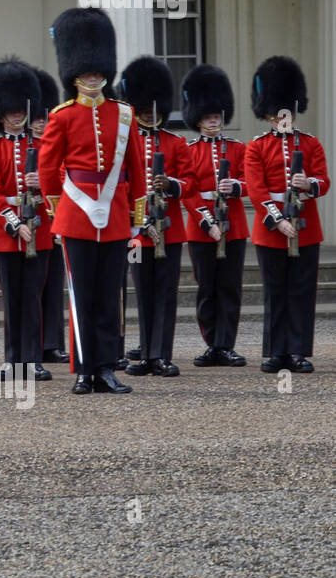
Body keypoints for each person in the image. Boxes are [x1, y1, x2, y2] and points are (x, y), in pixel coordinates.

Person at [37, 8, 146, 395]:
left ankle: (106, 367)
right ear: (75, 73)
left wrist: (137, 216)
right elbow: (49, 169)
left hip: (115, 213)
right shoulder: (61, 116)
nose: (93, 77)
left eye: (98, 72)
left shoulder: (124, 115)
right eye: (86, 72)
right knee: (81, 294)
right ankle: (85, 369)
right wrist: (57, 212)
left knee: (108, 296)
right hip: (77, 211)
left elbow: (136, 169)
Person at [244, 56, 328, 374]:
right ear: (268, 115)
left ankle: (298, 351)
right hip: (271, 229)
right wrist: (277, 219)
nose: (282, 117)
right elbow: (256, 187)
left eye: (286, 112)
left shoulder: (311, 143)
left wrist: (308, 183)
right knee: (275, 290)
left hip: (306, 227)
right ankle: (276, 350)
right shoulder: (257, 147)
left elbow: (324, 180)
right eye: (277, 113)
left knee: (302, 291)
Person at [0, 57, 52, 381]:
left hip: (40, 229)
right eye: (10, 111)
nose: (16, 115)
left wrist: (44, 183)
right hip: (8, 233)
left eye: (20, 109)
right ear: (0, 113)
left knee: (33, 298)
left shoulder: (43, 146)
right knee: (12, 300)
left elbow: (60, 181)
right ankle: (13, 360)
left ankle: (33, 359)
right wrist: (14, 223)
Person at [118, 56, 189, 377]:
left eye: (154, 107)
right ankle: (146, 353)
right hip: (138, 231)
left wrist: (170, 184)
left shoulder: (176, 142)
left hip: (169, 231)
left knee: (165, 293)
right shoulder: (128, 143)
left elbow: (189, 182)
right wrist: (139, 222)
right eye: (144, 107)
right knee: (143, 294)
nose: (150, 113)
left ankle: (161, 354)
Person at [179, 64, 248, 367]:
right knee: (206, 287)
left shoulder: (237, 148)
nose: (214, 121)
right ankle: (211, 343)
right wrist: (206, 221)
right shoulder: (188, 150)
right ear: (198, 119)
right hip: (200, 227)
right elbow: (188, 190)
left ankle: (226, 344)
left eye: (217, 116)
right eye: (208, 117)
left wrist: (235, 186)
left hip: (233, 225)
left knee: (230, 286)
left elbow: (251, 182)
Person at [31, 67, 71, 365]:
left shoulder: (56, 143)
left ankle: (53, 342)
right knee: (32, 287)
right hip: (26, 226)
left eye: (43, 118)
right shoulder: (18, 145)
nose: (39, 124)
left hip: (53, 221)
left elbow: (64, 174)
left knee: (54, 285)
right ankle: (33, 342)